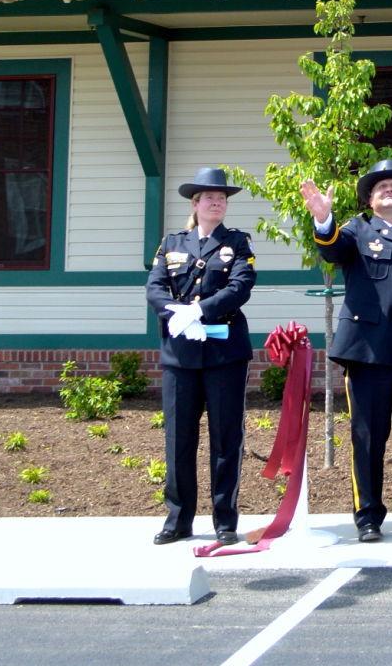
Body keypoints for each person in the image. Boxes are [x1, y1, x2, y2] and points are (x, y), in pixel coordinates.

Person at [304, 158, 392, 543]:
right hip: (369, 355)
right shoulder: (358, 231)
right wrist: (323, 220)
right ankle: (368, 517)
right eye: (380, 187)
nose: (389, 189)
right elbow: (333, 249)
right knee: (368, 438)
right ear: (370, 200)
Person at [144, 166, 255, 546]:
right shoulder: (172, 243)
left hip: (224, 353)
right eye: (209, 197)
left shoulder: (238, 242)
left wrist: (200, 311)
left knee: (226, 438)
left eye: (222, 198)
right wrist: (177, 314)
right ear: (195, 203)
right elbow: (155, 286)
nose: (217, 202)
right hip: (180, 354)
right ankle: (178, 519)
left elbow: (241, 286)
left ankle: (225, 519)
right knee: (178, 439)